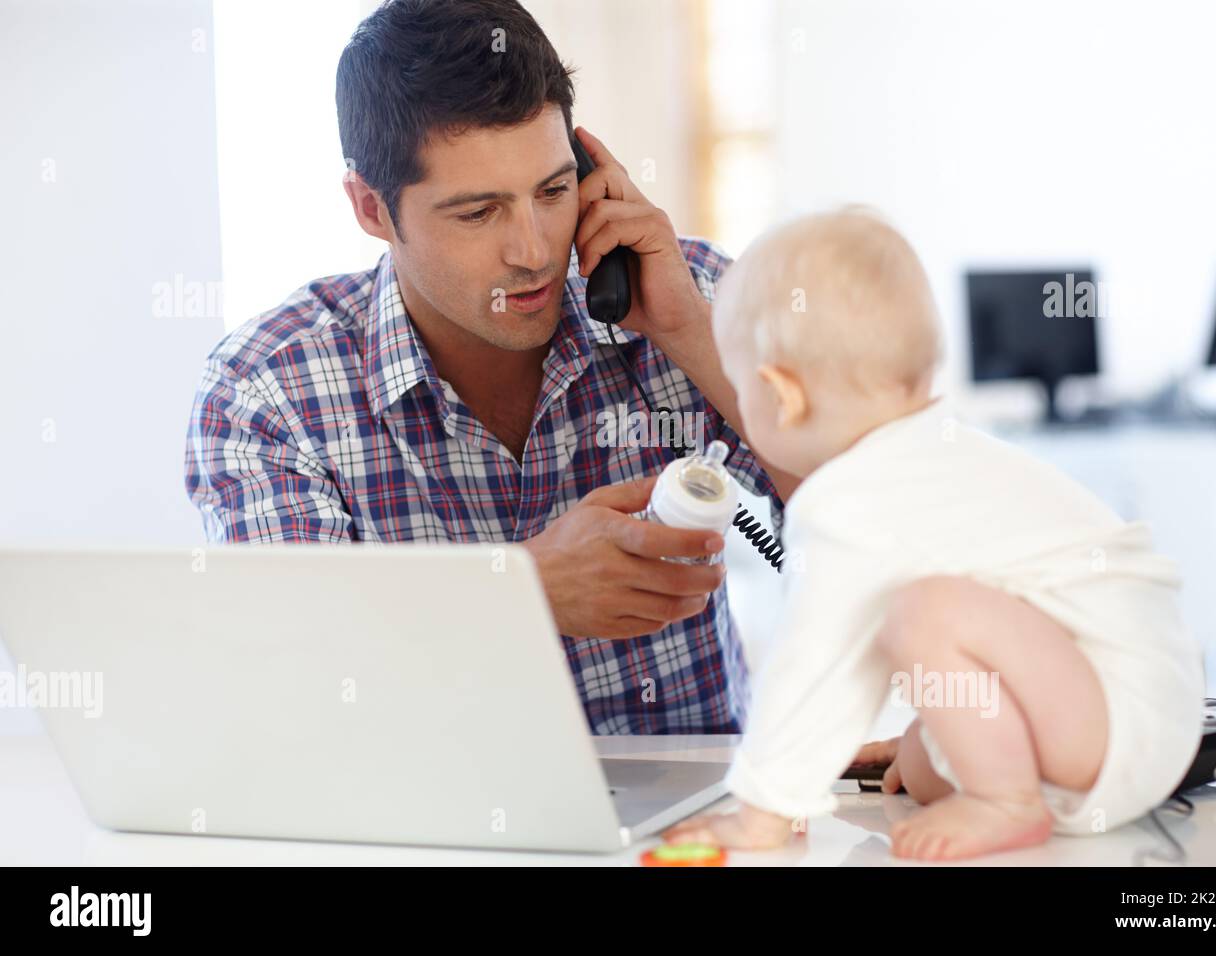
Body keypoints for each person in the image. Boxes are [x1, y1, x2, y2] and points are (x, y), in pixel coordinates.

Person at [184, 0, 798, 736]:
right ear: (372, 209)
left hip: (696, 834)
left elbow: (874, 521)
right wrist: (522, 589)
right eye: (479, 213)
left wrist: (689, 333)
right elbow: (288, 666)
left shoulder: (683, 296)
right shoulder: (266, 390)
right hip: (418, 835)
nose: (534, 250)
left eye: (553, 190)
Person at [665, 207, 1204, 859]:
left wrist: (764, 808)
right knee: (916, 766)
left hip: (1119, 712)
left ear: (782, 395)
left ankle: (1004, 799)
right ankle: (981, 774)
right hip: (1141, 716)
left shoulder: (847, 496)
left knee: (923, 613)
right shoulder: (936, 454)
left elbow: (814, 658)